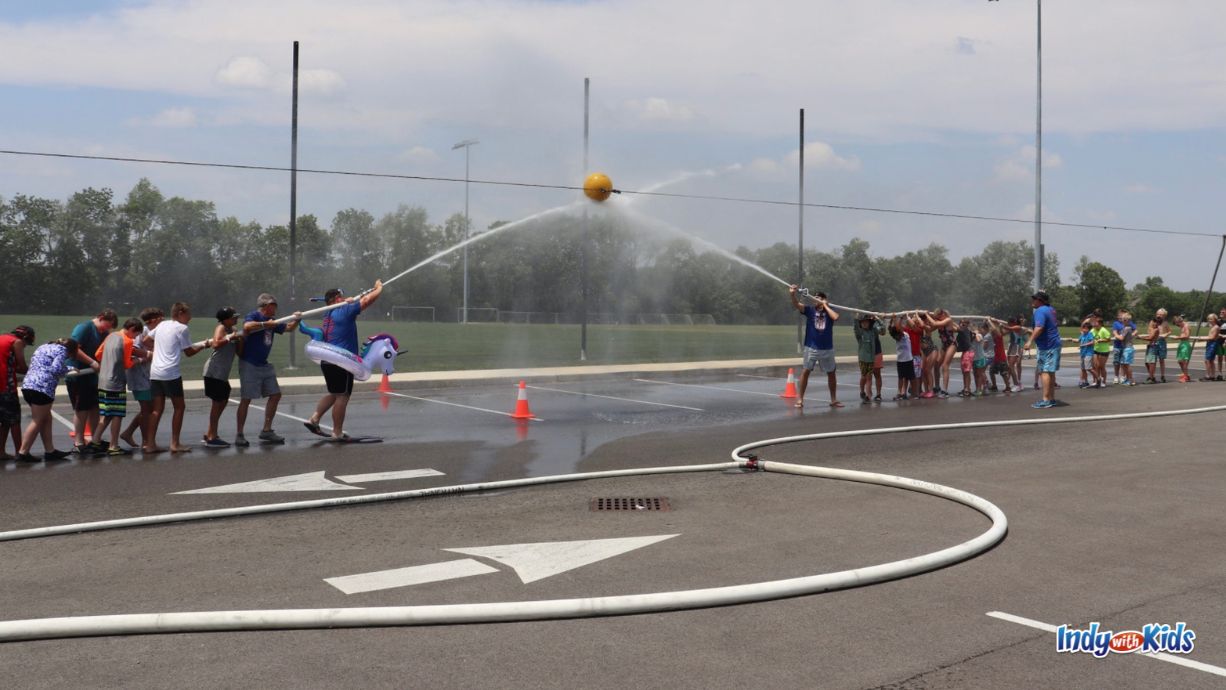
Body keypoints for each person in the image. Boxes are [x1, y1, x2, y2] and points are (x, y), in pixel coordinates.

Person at [303, 281, 384, 441]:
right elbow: (368, 300)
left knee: (334, 393)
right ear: (336, 299)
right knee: (342, 395)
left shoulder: (328, 314)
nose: (345, 298)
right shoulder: (344, 310)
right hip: (342, 362)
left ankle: (314, 419)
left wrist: (348, 301)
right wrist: (379, 288)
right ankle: (337, 433)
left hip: (327, 361)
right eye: (341, 296)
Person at [236, 293, 302, 446]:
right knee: (246, 398)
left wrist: (297, 319)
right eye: (273, 305)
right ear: (265, 306)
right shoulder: (255, 315)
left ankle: (266, 430)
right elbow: (247, 326)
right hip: (249, 363)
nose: (275, 308)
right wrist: (267, 325)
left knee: (275, 394)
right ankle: (239, 433)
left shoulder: (273, 321)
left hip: (264, 364)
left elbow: (289, 328)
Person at [148, 302, 212, 453]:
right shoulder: (182, 328)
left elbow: (146, 340)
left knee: (157, 409)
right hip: (170, 374)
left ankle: (149, 444)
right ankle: (174, 443)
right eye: (188, 314)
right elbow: (189, 352)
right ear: (180, 313)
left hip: (155, 372)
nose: (190, 318)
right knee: (179, 407)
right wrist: (205, 345)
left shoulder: (162, 325)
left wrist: (160, 349)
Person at [17, 338, 87, 463]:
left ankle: (50, 451)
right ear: (71, 350)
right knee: (37, 420)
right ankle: (23, 452)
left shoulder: (43, 347)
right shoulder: (62, 351)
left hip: (28, 385)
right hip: (42, 387)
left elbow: (45, 364)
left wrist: (68, 367)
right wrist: (69, 369)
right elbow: (55, 369)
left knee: (46, 418)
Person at [94, 318, 148, 456]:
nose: (135, 338)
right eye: (135, 334)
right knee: (117, 415)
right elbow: (126, 364)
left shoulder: (111, 336)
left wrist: (109, 361)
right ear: (131, 329)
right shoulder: (127, 341)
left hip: (103, 380)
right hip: (116, 383)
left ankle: (95, 441)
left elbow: (98, 354)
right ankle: (113, 445)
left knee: (106, 414)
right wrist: (139, 360)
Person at [67, 309, 118, 455]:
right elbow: (73, 348)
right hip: (78, 373)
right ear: (101, 318)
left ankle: (95, 440)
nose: (107, 329)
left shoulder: (104, 333)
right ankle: (79, 442)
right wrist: (91, 362)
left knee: (95, 407)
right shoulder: (84, 328)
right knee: (81, 408)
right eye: (107, 325)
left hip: (92, 376)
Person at [788, 286, 842, 408]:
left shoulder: (829, 311)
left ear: (824, 299)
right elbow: (797, 305)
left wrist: (826, 306)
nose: (815, 299)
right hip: (811, 347)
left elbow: (836, 317)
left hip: (827, 348)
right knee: (806, 371)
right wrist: (792, 295)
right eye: (815, 297)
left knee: (831, 373)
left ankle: (833, 400)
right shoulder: (810, 310)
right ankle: (800, 399)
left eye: (818, 298)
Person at [202, 307, 243, 448]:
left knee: (223, 400)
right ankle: (212, 437)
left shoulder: (232, 330)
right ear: (226, 319)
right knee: (217, 403)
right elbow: (216, 343)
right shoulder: (221, 328)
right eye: (233, 317)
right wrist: (231, 337)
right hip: (214, 371)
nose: (236, 319)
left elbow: (239, 352)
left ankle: (209, 432)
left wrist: (239, 339)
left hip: (222, 373)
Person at [120, 308, 161, 450]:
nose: (162, 321)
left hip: (148, 375)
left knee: (148, 408)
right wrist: (150, 354)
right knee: (146, 409)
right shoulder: (141, 332)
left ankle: (128, 433)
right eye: (160, 318)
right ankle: (146, 442)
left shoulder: (155, 332)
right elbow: (131, 350)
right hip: (138, 376)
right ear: (154, 320)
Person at [0, 325, 35, 461]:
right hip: (5, 385)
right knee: (14, 419)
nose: (25, 346)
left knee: (5, 420)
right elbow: (22, 366)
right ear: (25, 337)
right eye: (27, 343)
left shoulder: (2, 338)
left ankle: (1, 452)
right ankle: (20, 452)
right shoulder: (17, 342)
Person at [1024, 289, 1062, 409]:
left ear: (1040, 301)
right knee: (1050, 372)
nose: (1032, 301)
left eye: (1034, 299)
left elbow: (1039, 328)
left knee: (1044, 372)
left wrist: (1029, 341)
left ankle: (1046, 399)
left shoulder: (1040, 311)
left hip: (1047, 346)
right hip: (1053, 344)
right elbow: (1045, 327)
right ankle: (1051, 398)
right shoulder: (1050, 309)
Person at [853, 313, 885, 404]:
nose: (864, 324)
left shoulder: (873, 331)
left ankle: (869, 395)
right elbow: (855, 329)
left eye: (866, 322)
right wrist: (855, 319)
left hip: (872, 358)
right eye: (863, 322)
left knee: (870, 377)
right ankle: (863, 391)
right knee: (864, 376)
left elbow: (882, 330)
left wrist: (878, 319)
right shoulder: (860, 333)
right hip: (863, 359)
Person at [925, 309, 957, 398]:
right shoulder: (939, 321)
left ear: (942, 314)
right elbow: (930, 329)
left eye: (938, 316)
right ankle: (937, 387)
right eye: (937, 317)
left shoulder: (948, 320)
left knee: (945, 365)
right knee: (936, 365)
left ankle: (945, 391)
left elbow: (935, 324)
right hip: (944, 345)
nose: (938, 318)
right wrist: (925, 321)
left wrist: (927, 315)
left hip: (952, 344)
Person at [889, 314, 914, 401]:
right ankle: (900, 393)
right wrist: (899, 318)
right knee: (901, 377)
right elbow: (897, 327)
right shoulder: (898, 336)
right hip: (902, 360)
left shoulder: (905, 333)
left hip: (908, 359)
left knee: (907, 377)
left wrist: (893, 318)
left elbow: (898, 326)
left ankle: (904, 393)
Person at [1090, 314, 1113, 389]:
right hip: (1095, 350)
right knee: (1095, 366)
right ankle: (1097, 380)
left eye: (1095, 322)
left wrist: (1102, 340)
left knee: (1101, 366)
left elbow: (1109, 339)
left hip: (1104, 350)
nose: (1094, 324)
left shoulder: (1103, 330)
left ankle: (1104, 381)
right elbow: (1090, 337)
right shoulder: (1093, 330)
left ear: (1099, 323)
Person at [1169, 314, 1193, 383]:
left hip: (1185, 344)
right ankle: (1185, 374)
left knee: (1184, 361)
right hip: (1182, 343)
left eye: (1177, 324)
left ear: (1180, 321)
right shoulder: (1182, 326)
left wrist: (1177, 337)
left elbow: (1187, 336)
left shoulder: (1186, 326)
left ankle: (1185, 376)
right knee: (1180, 361)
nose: (1177, 325)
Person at [1199, 314, 1221, 382]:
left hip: (1213, 344)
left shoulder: (1216, 327)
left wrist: (1202, 338)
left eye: (1211, 319)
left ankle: (1208, 375)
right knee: (1210, 360)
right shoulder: (1212, 327)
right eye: (1209, 319)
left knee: (1208, 360)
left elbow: (1213, 337)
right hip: (1209, 344)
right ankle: (1212, 375)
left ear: (1215, 319)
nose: (1209, 320)